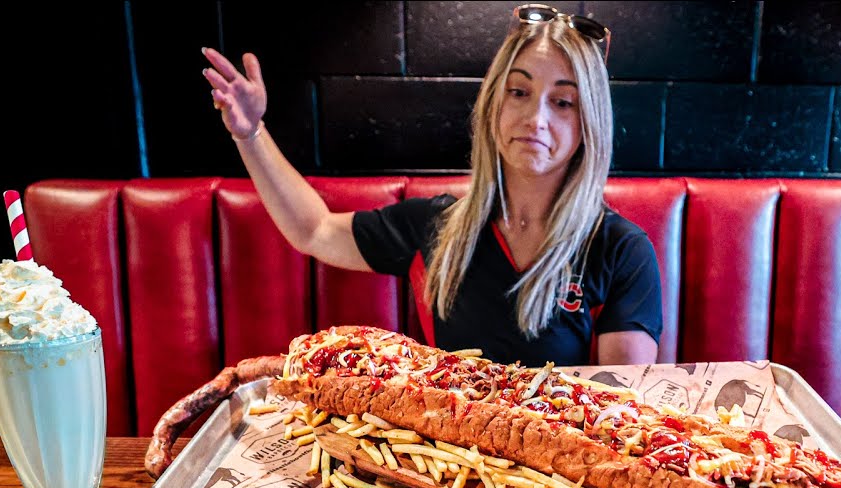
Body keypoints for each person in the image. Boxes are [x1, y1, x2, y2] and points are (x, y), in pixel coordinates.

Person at [202, 4, 662, 367]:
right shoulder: (435, 225)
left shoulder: (621, 251)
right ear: (493, 104)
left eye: (563, 102)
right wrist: (250, 134)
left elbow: (617, 409)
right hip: (442, 463)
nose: (535, 119)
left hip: (561, 476)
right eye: (519, 92)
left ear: (590, 123)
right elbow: (314, 230)